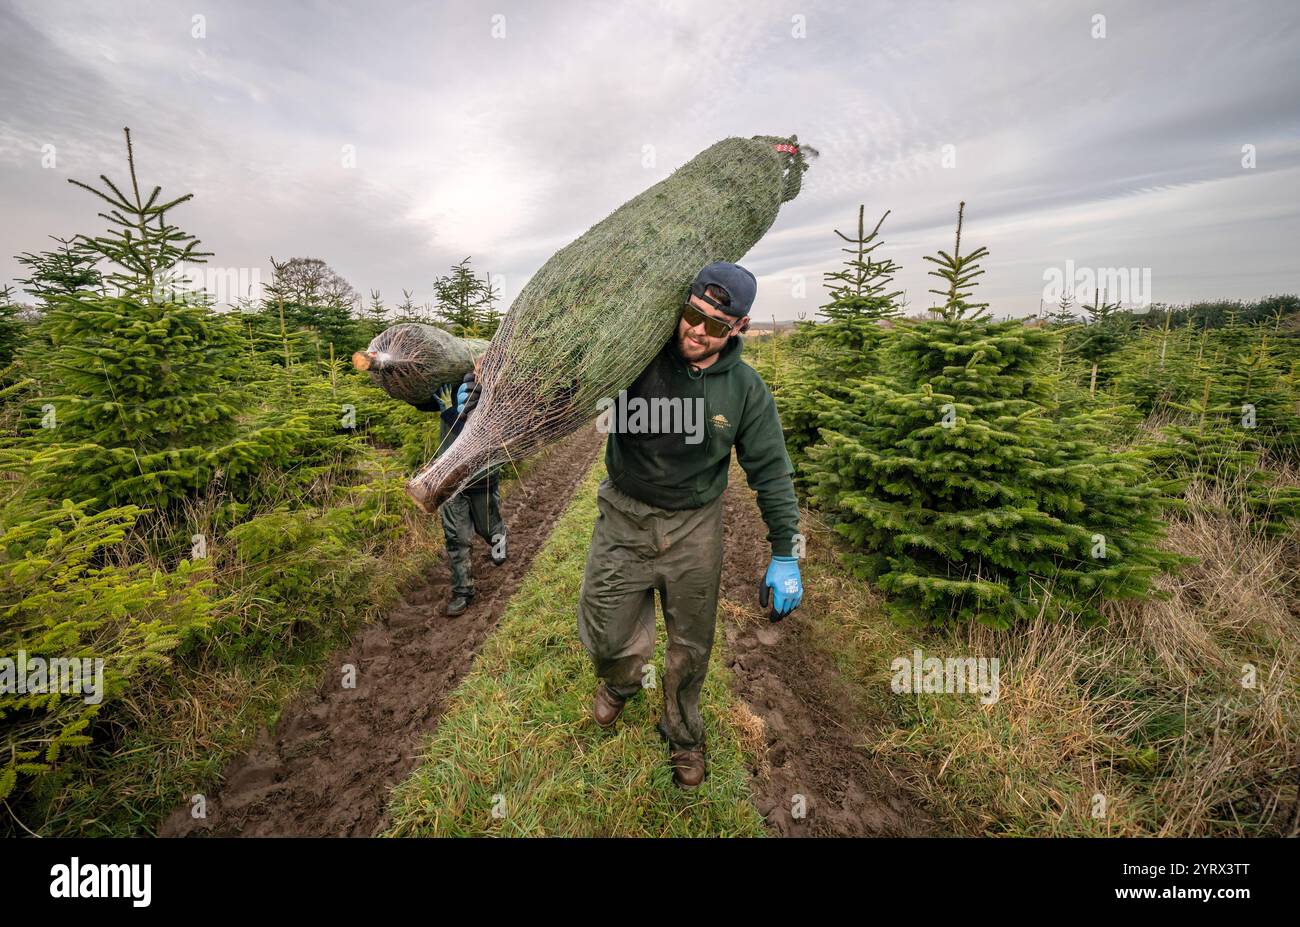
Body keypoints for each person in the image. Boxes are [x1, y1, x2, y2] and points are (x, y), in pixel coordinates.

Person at [577, 261, 804, 789]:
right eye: (691, 315)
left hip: (694, 529)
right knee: (607, 633)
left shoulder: (745, 390)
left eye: (716, 325)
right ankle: (620, 682)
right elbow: (578, 372)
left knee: (690, 647)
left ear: (739, 328)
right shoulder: (636, 360)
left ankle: (683, 736)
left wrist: (785, 551)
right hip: (624, 516)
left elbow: (771, 470)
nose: (697, 331)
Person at [413, 363, 507, 616]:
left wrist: (454, 411)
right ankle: (462, 591)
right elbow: (420, 399)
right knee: (456, 537)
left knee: (488, 526)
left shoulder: (492, 392)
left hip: (481, 477)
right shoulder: (448, 385)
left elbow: (479, 434)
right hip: (448, 481)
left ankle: (499, 544)